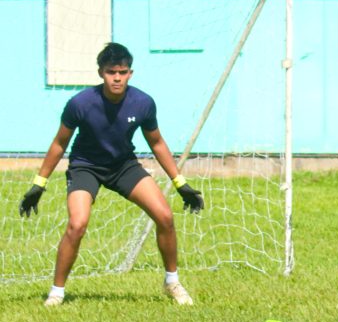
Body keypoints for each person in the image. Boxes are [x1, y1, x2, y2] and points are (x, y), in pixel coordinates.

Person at [18, 42, 204, 306]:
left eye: (122, 72)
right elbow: (59, 144)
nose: (117, 78)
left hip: (123, 167)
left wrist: (180, 183)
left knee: (164, 216)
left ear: (130, 73)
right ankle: (56, 292)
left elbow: (157, 143)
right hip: (86, 167)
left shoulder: (143, 103)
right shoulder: (80, 103)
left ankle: (172, 282)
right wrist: (39, 184)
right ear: (100, 73)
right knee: (77, 224)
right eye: (111, 72)